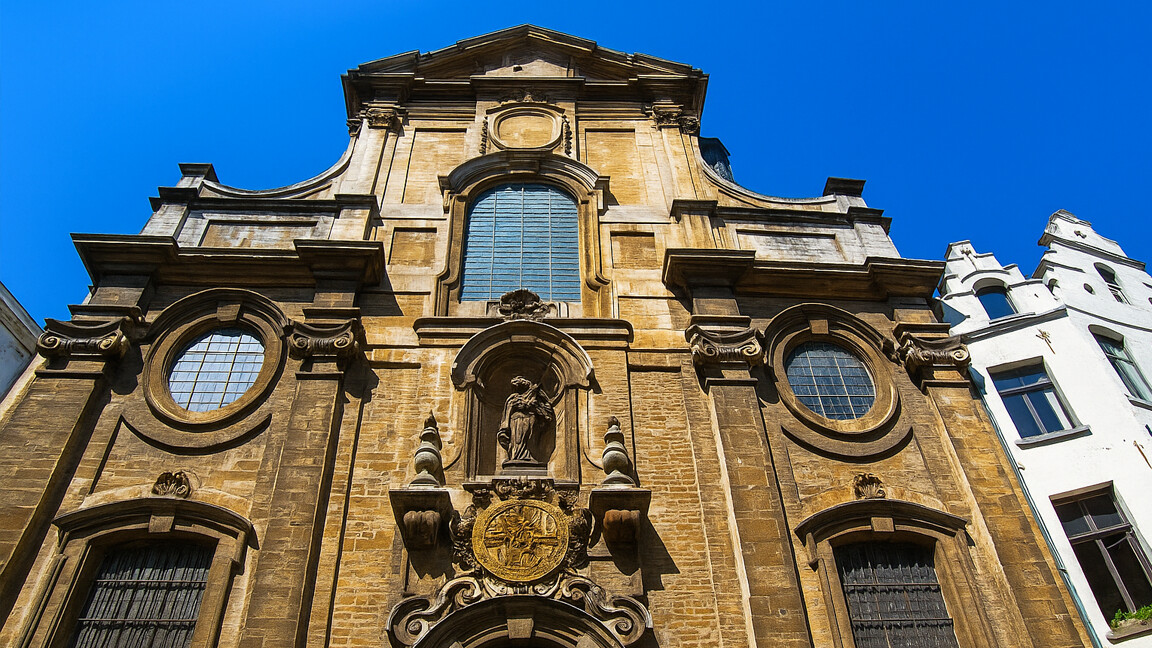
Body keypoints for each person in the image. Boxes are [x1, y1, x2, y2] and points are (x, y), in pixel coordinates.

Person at [497, 376, 553, 466]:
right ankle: (516, 457)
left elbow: (546, 409)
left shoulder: (537, 395)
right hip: (516, 420)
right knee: (517, 439)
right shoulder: (513, 398)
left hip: (531, 418)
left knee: (531, 439)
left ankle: (531, 457)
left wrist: (535, 405)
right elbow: (508, 410)